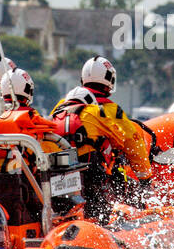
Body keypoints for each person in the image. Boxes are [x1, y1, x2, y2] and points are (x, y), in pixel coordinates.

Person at [64, 57, 153, 221]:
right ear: (110, 80)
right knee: (119, 173)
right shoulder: (110, 110)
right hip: (97, 175)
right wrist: (145, 179)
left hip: (64, 174)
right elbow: (133, 144)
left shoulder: (62, 106)